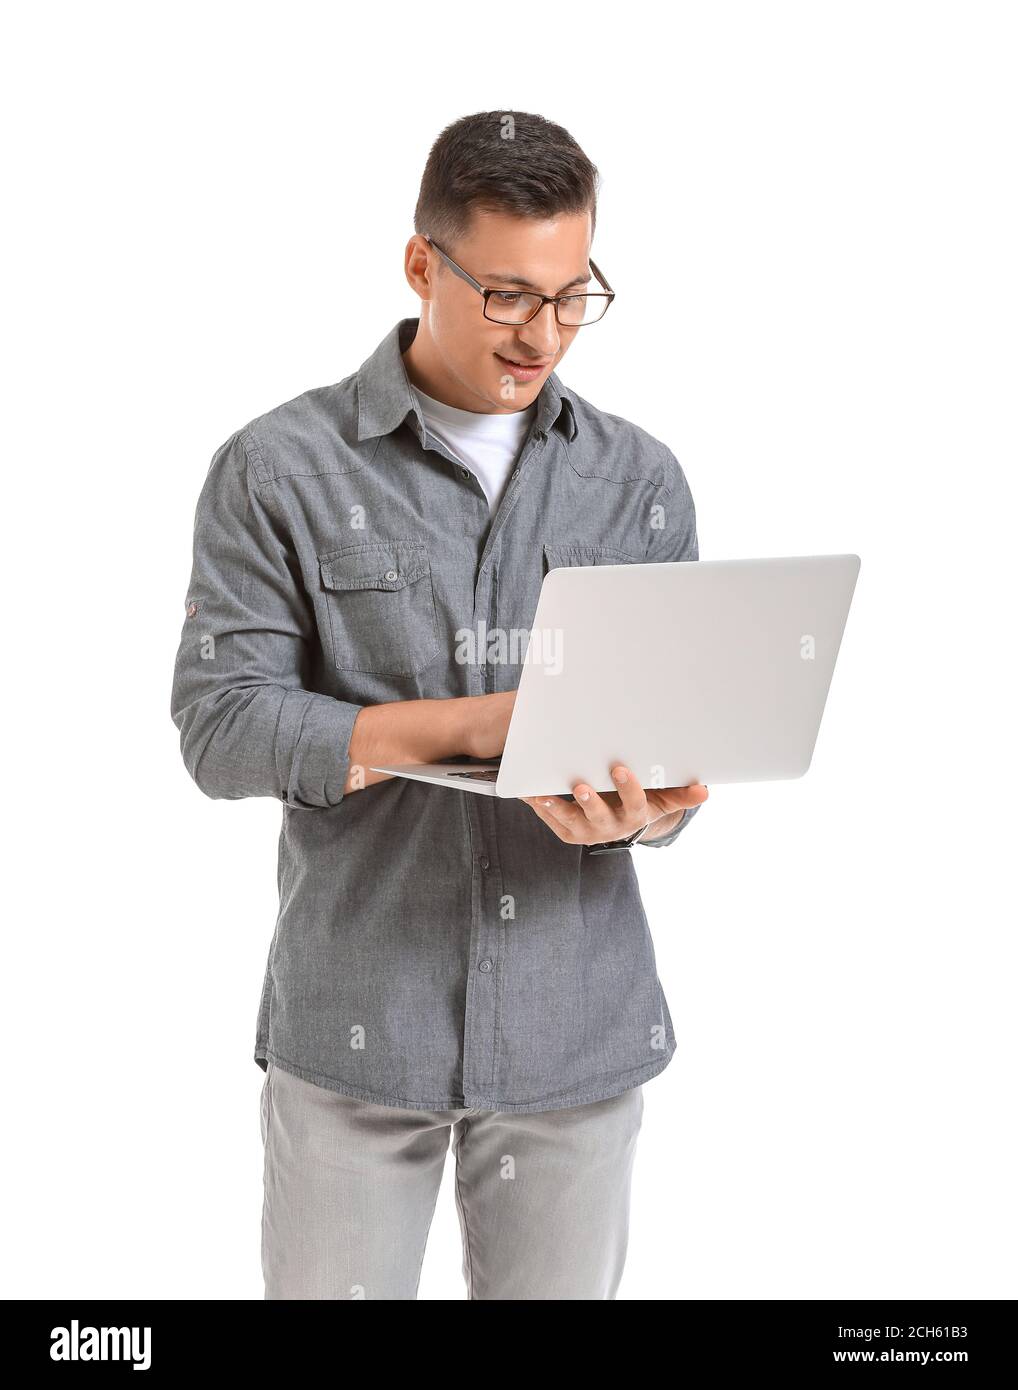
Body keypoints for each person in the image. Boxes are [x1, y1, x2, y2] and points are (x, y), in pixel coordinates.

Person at [170, 109, 708, 1301]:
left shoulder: (641, 481)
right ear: (422, 264)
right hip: (362, 1023)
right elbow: (221, 727)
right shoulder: (279, 467)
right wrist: (470, 726)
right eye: (509, 295)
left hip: (579, 1028)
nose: (544, 336)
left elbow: (670, 756)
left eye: (574, 296)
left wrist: (644, 812)